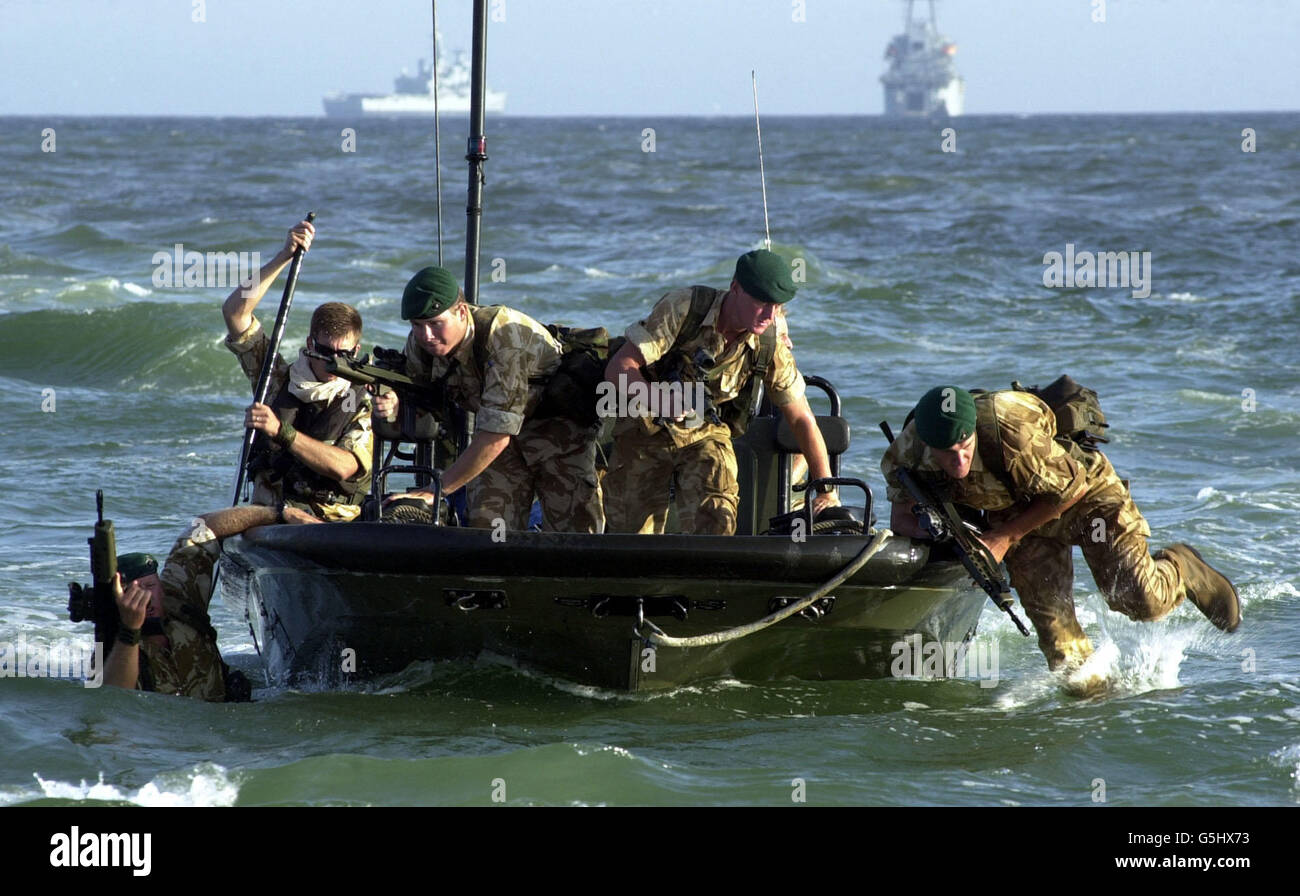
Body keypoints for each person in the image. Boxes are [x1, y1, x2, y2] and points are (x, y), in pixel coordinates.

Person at [880, 385, 1241, 680]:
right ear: (927, 445)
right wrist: (954, 538)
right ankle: (1098, 713)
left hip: (1086, 499)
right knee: (1064, 655)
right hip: (1016, 516)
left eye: (965, 448)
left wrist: (1003, 538)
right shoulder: (907, 452)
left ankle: (1181, 567)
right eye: (947, 454)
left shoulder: (1009, 430)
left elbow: (1070, 489)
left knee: (1138, 599)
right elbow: (901, 516)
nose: (958, 461)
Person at [601, 249, 838, 535]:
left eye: (777, 306)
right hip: (645, 427)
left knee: (718, 515)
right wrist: (659, 399)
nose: (769, 314)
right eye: (761, 302)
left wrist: (826, 489)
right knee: (630, 535)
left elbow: (801, 418)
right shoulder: (685, 308)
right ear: (735, 288)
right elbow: (620, 367)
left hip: (705, 432)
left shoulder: (768, 342)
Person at [372, 265, 604, 533]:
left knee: (574, 536)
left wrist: (437, 490)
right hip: (500, 442)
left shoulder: (502, 336)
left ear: (461, 311)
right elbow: (417, 389)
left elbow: (496, 435)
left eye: (435, 324)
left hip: (558, 434)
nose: (426, 336)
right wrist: (395, 400)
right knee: (487, 529)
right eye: (417, 325)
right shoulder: (422, 343)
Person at [222, 219, 374, 521]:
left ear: (356, 351)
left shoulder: (365, 396)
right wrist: (284, 256)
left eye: (342, 355)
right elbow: (235, 313)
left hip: (328, 521)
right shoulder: (276, 377)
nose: (332, 363)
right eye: (324, 352)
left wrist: (281, 431)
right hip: (269, 514)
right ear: (309, 344)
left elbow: (344, 466)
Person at [103, 504, 319, 700]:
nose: (145, 599)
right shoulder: (112, 647)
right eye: (131, 592)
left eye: (150, 587)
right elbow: (113, 700)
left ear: (160, 585)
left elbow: (203, 529)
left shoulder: (178, 598)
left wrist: (279, 513)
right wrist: (130, 630)